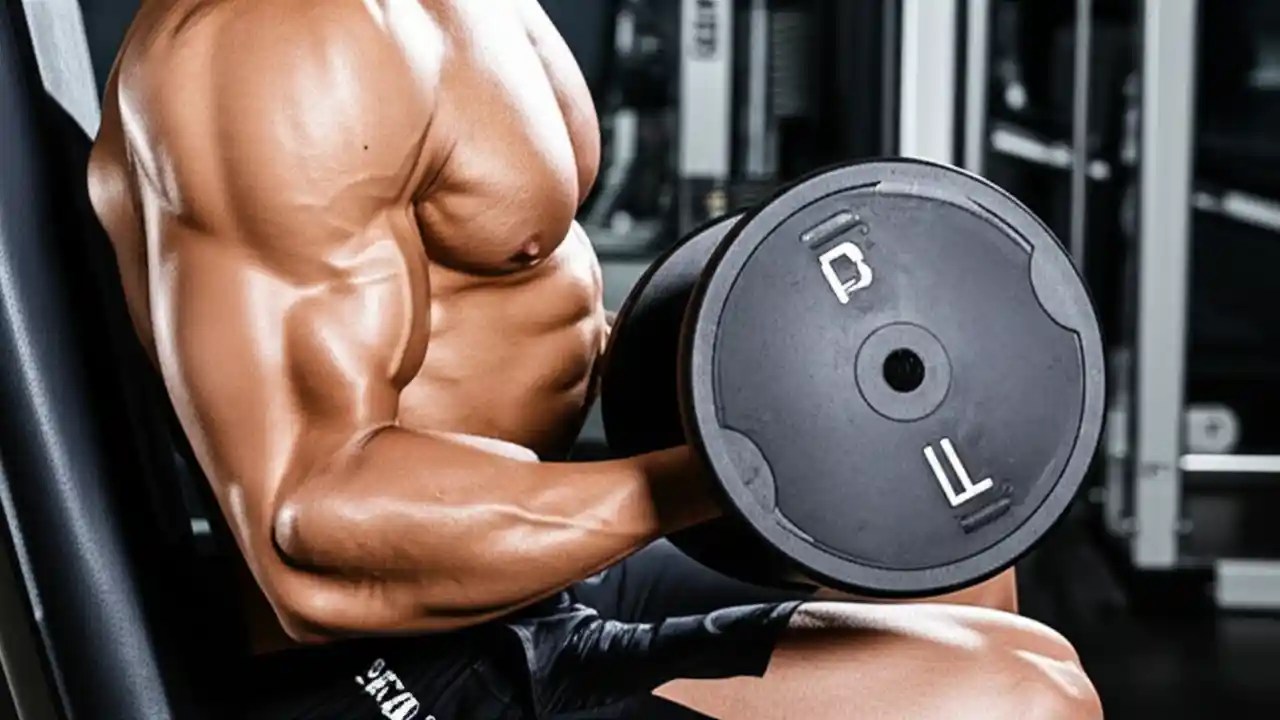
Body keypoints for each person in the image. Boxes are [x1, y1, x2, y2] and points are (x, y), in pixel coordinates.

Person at [87, 1, 1102, 717]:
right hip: (372, 669)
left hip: (519, 593)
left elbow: (505, 332)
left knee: (929, 548)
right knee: (1021, 701)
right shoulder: (282, 43)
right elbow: (309, 536)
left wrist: (813, 423)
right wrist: (737, 477)